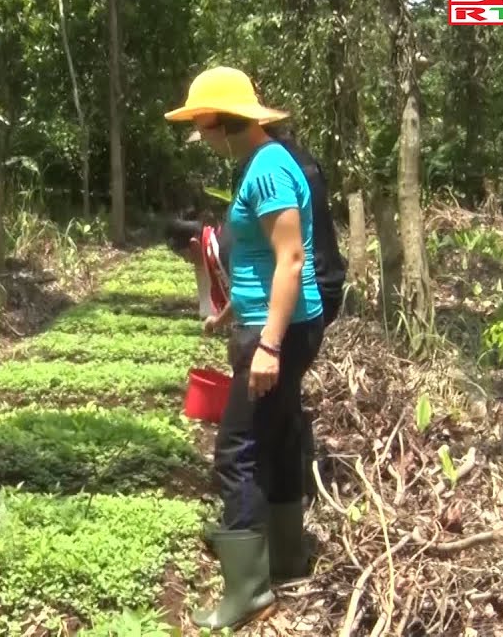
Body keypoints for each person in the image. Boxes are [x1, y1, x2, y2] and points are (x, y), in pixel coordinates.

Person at [164, 67, 326, 629]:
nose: (202, 138)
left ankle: (248, 591)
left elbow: (292, 260)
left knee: (236, 453)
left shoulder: (269, 169)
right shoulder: (262, 163)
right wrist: (237, 309)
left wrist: (269, 345)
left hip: (276, 333)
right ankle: (283, 556)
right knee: (276, 439)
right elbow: (264, 259)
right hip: (269, 322)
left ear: (224, 124)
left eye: (203, 127)